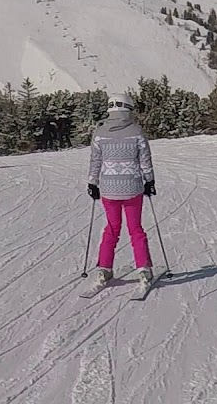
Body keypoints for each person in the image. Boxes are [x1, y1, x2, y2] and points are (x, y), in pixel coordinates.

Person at [87, 92, 156, 287]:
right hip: (133, 188)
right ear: (128, 108)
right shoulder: (136, 130)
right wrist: (149, 181)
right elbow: (145, 159)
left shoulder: (99, 131)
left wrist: (92, 182)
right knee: (136, 229)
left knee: (111, 228)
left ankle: (104, 270)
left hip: (108, 189)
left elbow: (95, 160)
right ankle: (144, 269)